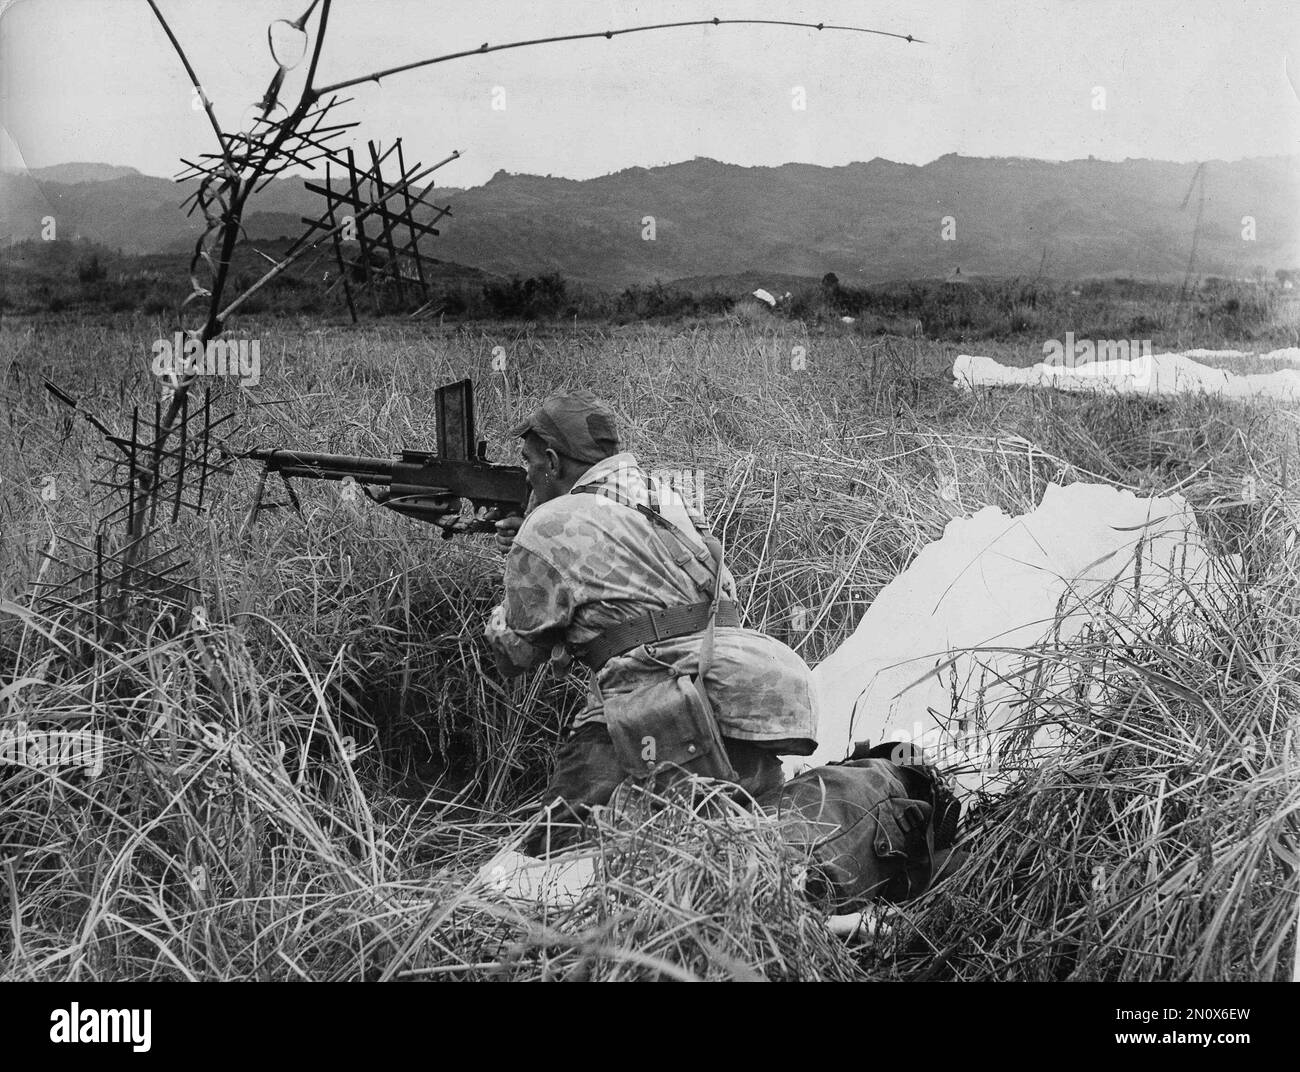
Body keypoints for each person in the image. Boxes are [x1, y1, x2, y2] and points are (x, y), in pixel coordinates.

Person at [484, 388, 818, 849]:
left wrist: (512, 584)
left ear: (553, 461)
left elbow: (516, 654)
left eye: (527, 461)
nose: (525, 473)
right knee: (741, 848)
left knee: (551, 855)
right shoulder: (664, 495)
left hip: (658, 703)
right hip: (746, 690)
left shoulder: (549, 523)